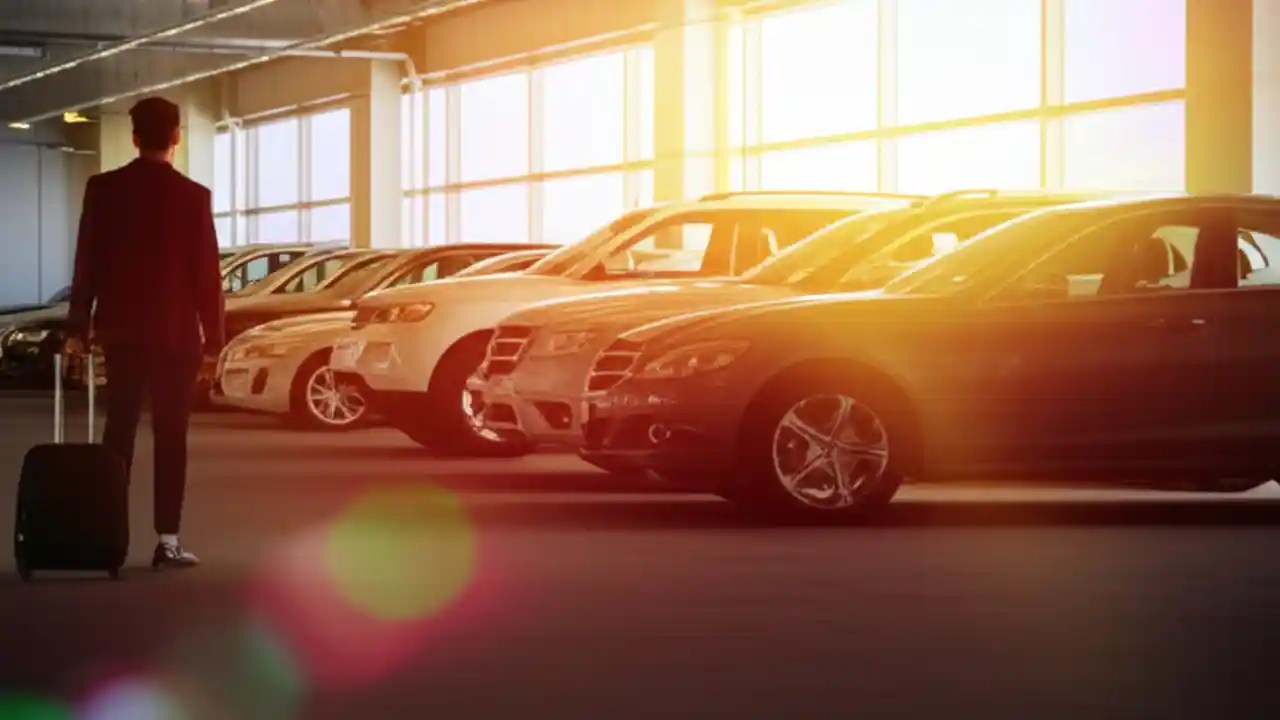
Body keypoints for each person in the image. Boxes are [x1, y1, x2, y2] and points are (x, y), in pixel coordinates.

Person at [65, 97, 225, 569]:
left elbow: (86, 263)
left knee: (118, 432)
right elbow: (207, 276)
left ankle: (105, 536)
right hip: (177, 336)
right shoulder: (194, 197)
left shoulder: (103, 189)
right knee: (171, 435)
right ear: (176, 136)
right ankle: (168, 540)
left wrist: (78, 326)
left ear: (134, 137)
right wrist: (215, 340)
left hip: (122, 332)